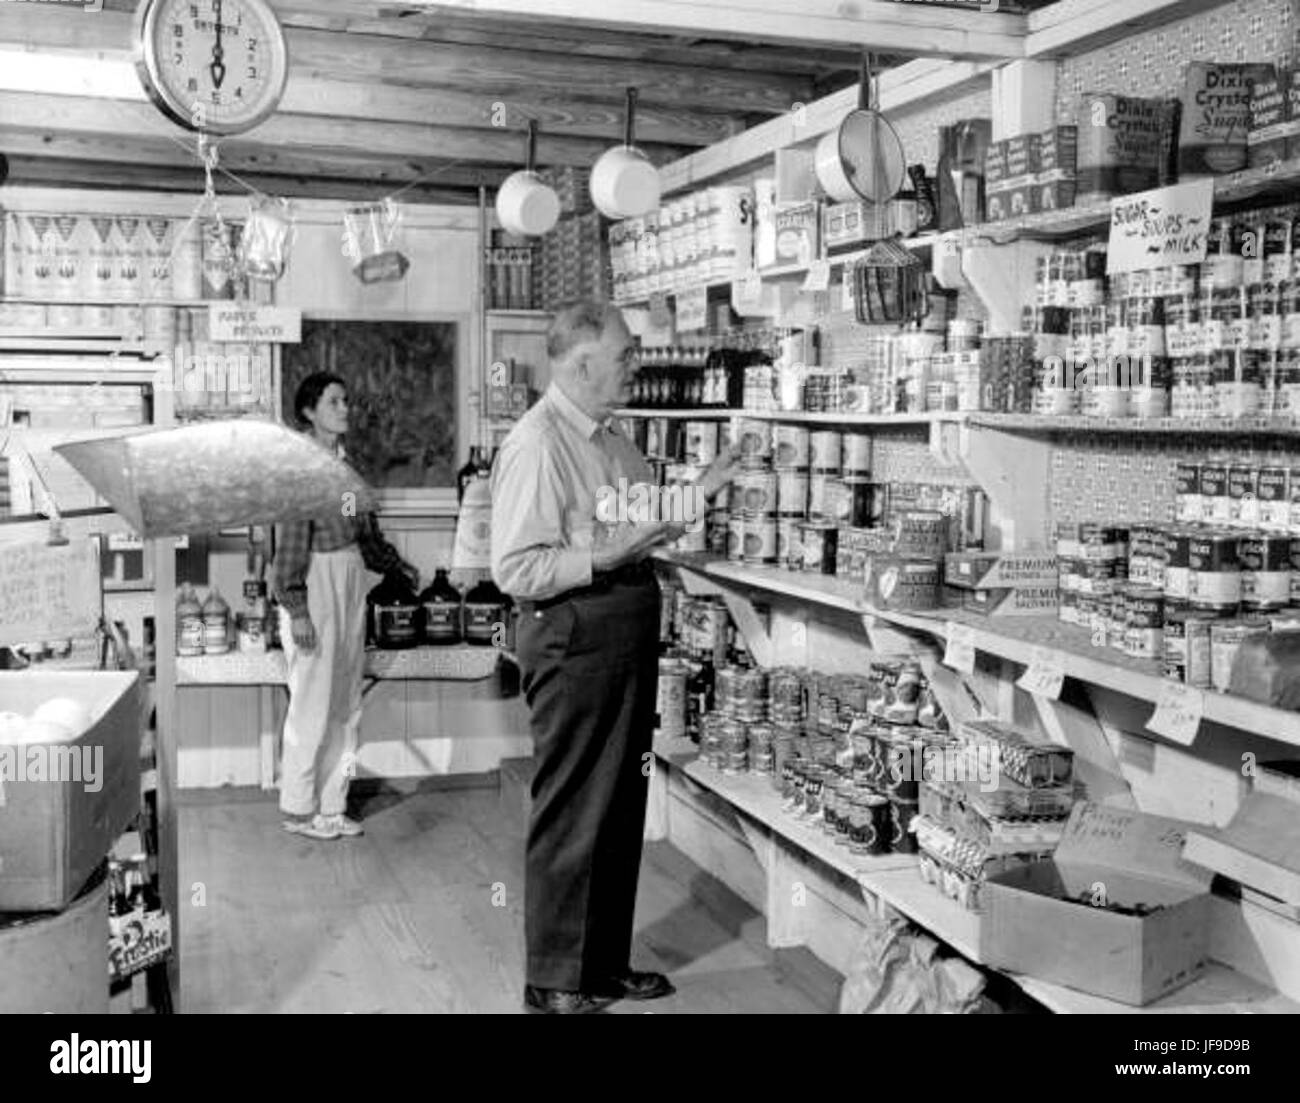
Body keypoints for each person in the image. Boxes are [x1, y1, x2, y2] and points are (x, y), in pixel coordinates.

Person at [491, 301, 738, 1014]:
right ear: (581, 362)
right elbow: (517, 566)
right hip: (572, 634)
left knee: (620, 800)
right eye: (627, 353)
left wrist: (702, 489)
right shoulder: (538, 444)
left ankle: (601, 963)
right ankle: (554, 978)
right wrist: (604, 556)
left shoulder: (612, 441)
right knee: (573, 804)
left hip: (621, 632)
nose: (637, 362)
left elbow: (642, 514)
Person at [272, 371, 420, 841]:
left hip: (349, 582)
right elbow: (290, 548)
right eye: (335, 401)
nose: (346, 408)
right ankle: (299, 809)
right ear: (310, 412)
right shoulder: (301, 471)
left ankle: (332, 806)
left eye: (347, 399)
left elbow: (365, 536)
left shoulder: (346, 469)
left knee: (345, 703)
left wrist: (398, 567)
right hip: (315, 583)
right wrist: (296, 609)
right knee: (312, 702)